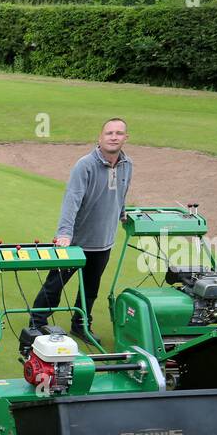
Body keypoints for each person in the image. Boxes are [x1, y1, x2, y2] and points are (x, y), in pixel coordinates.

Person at [29, 117, 133, 339]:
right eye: (109, 133)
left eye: (119, 133)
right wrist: (64, 234)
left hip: (103, 242)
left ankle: (80, 325)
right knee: (55, 284)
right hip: (75, 241)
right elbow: (71, 200)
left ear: (126, 137)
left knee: (90, 289)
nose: (114, 137)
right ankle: (36, 321)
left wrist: (123, 213)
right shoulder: (85, 165)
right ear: (100, 137)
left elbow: (121, 193)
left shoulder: (127, 164)